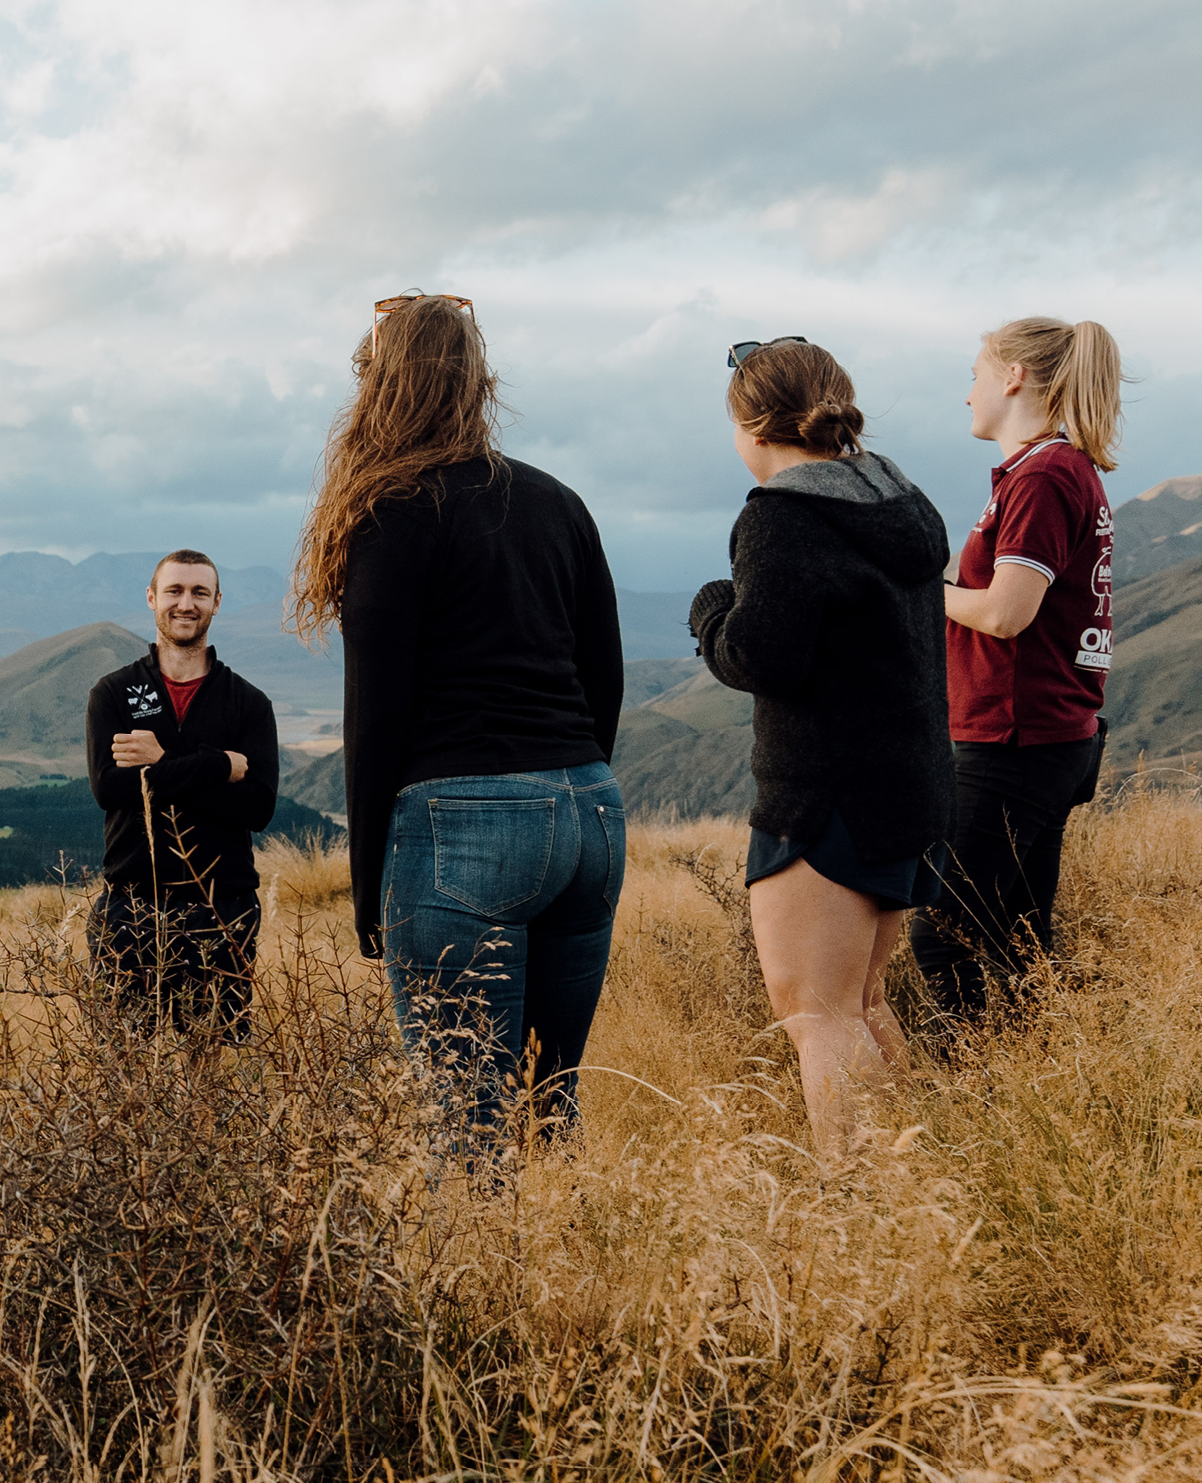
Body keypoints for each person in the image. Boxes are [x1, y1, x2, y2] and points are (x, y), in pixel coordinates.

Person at [292, 292, 624, 1153]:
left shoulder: (392, 508)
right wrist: (566, 795)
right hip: (589, 811)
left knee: (466, 1128)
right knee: (548, 1103)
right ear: (478, 382)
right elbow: (605, 676)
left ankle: (492, 1249)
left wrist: (366, 882)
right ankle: (569, 1239)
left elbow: (375, 714)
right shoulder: (558, 501)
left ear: (378, 389)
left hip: (464, 825)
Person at [688, 337, 954, 1162]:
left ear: (751, 426)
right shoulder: (901, 502)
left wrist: (710, 612)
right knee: (862, 1004)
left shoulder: (781, 515)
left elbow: (761, 657)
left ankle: (858, 1205)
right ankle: (910, 1193)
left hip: (823, 797)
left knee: (818, 1016)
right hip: (908, 788)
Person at [910, 317, 1125, 1021]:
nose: (967, 393)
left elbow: (1006, 614)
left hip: (1014, 738)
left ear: (1013, 377)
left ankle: (967, 1080)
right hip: (1044, 735)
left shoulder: (1043, 476)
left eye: (975, 374)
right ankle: (1038, 1070)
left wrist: (915, 593)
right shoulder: (1054, 469)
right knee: (1018, 943)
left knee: (942, 935)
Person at [84, 550, 279, 1039]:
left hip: (222, 906)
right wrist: (217, 766)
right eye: (174, 590)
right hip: (131, 906)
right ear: (152, 598)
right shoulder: (114, 692)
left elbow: (257, 808)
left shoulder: (249, 703)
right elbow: (110, 789)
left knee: (210, 1063)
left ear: (217, 602)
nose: (186, 603)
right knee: (123, 1063)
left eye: (199, 593)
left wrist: (159, 762)